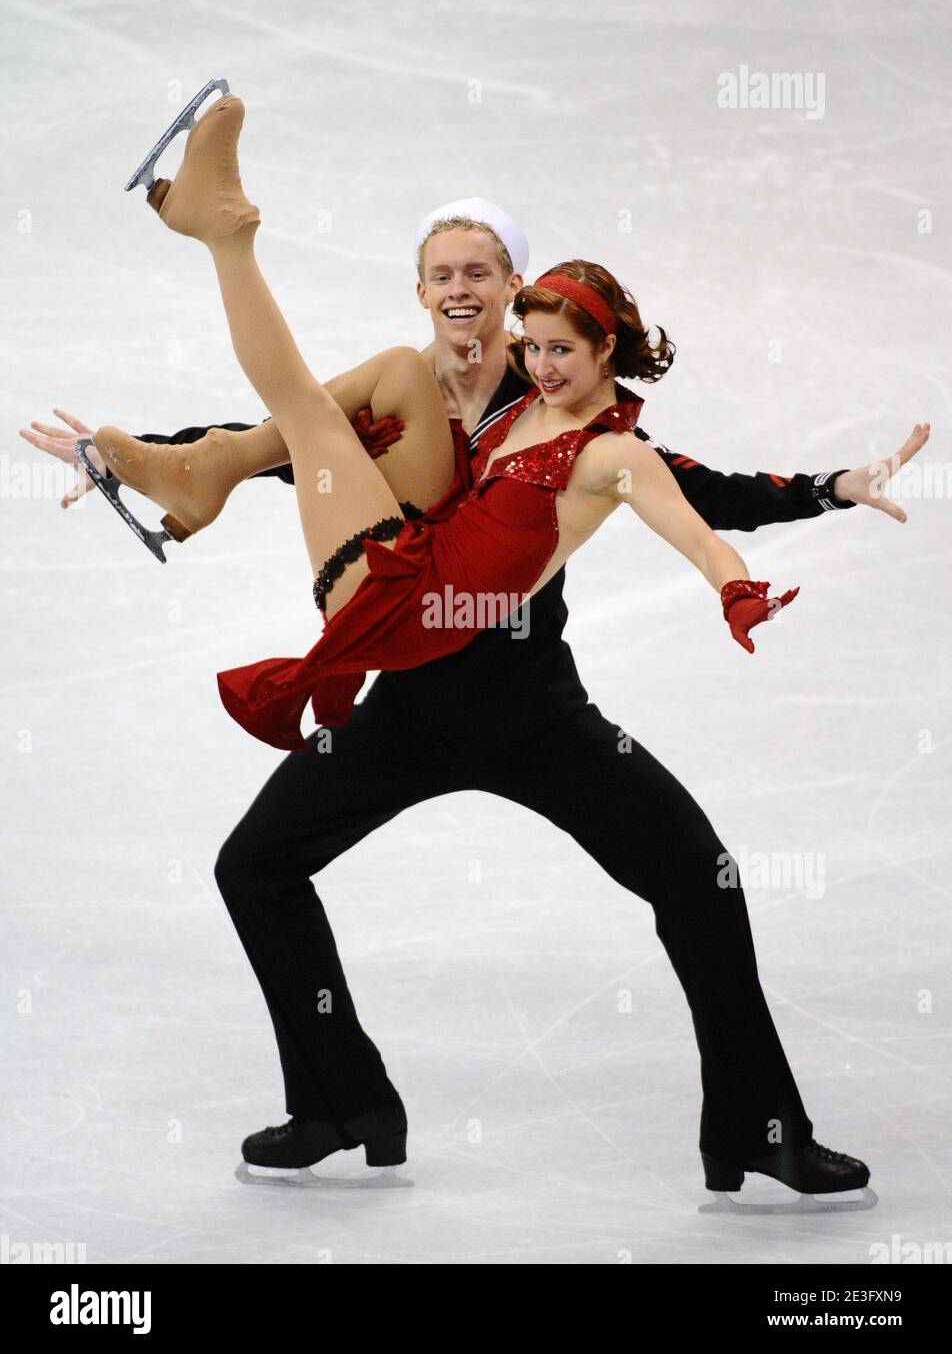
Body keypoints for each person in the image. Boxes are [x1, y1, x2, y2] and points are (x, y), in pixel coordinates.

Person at [25, 91, 925, 1199]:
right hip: (403, 708)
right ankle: (342, 1099)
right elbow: (285, 438)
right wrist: (131, 454)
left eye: (481, 271)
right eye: (441, 271)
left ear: (515, 292)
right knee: (253, 867)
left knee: (703, 877)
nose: (461, 288)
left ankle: (759, 1125)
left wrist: (833, 489)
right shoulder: (398, 394)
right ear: (420, 290)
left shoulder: (556, 396)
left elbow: (693, 489)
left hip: (535, 712)